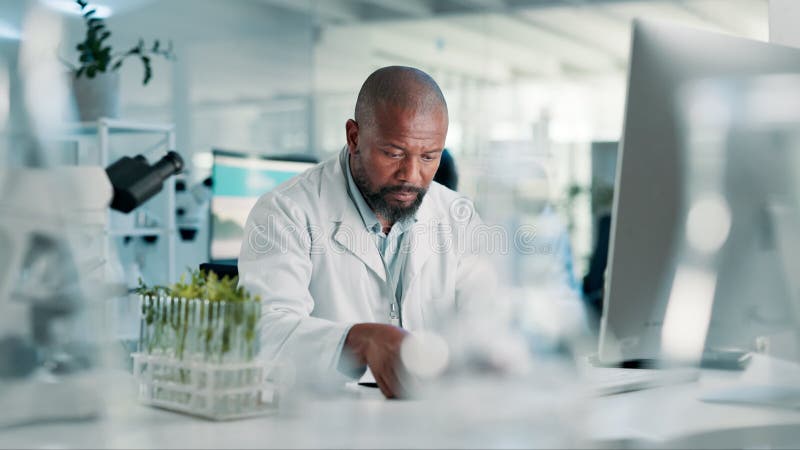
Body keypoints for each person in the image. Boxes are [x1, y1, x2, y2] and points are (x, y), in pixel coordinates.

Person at [238, 66, 495, 398]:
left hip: (433, 420)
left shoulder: (458, 217)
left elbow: (488, 323)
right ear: (354, 137)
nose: (412, 176)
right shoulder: (286, 211)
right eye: (394, 153)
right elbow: (264, 332)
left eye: (429, 157)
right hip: (328, 422)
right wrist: (358, 341)